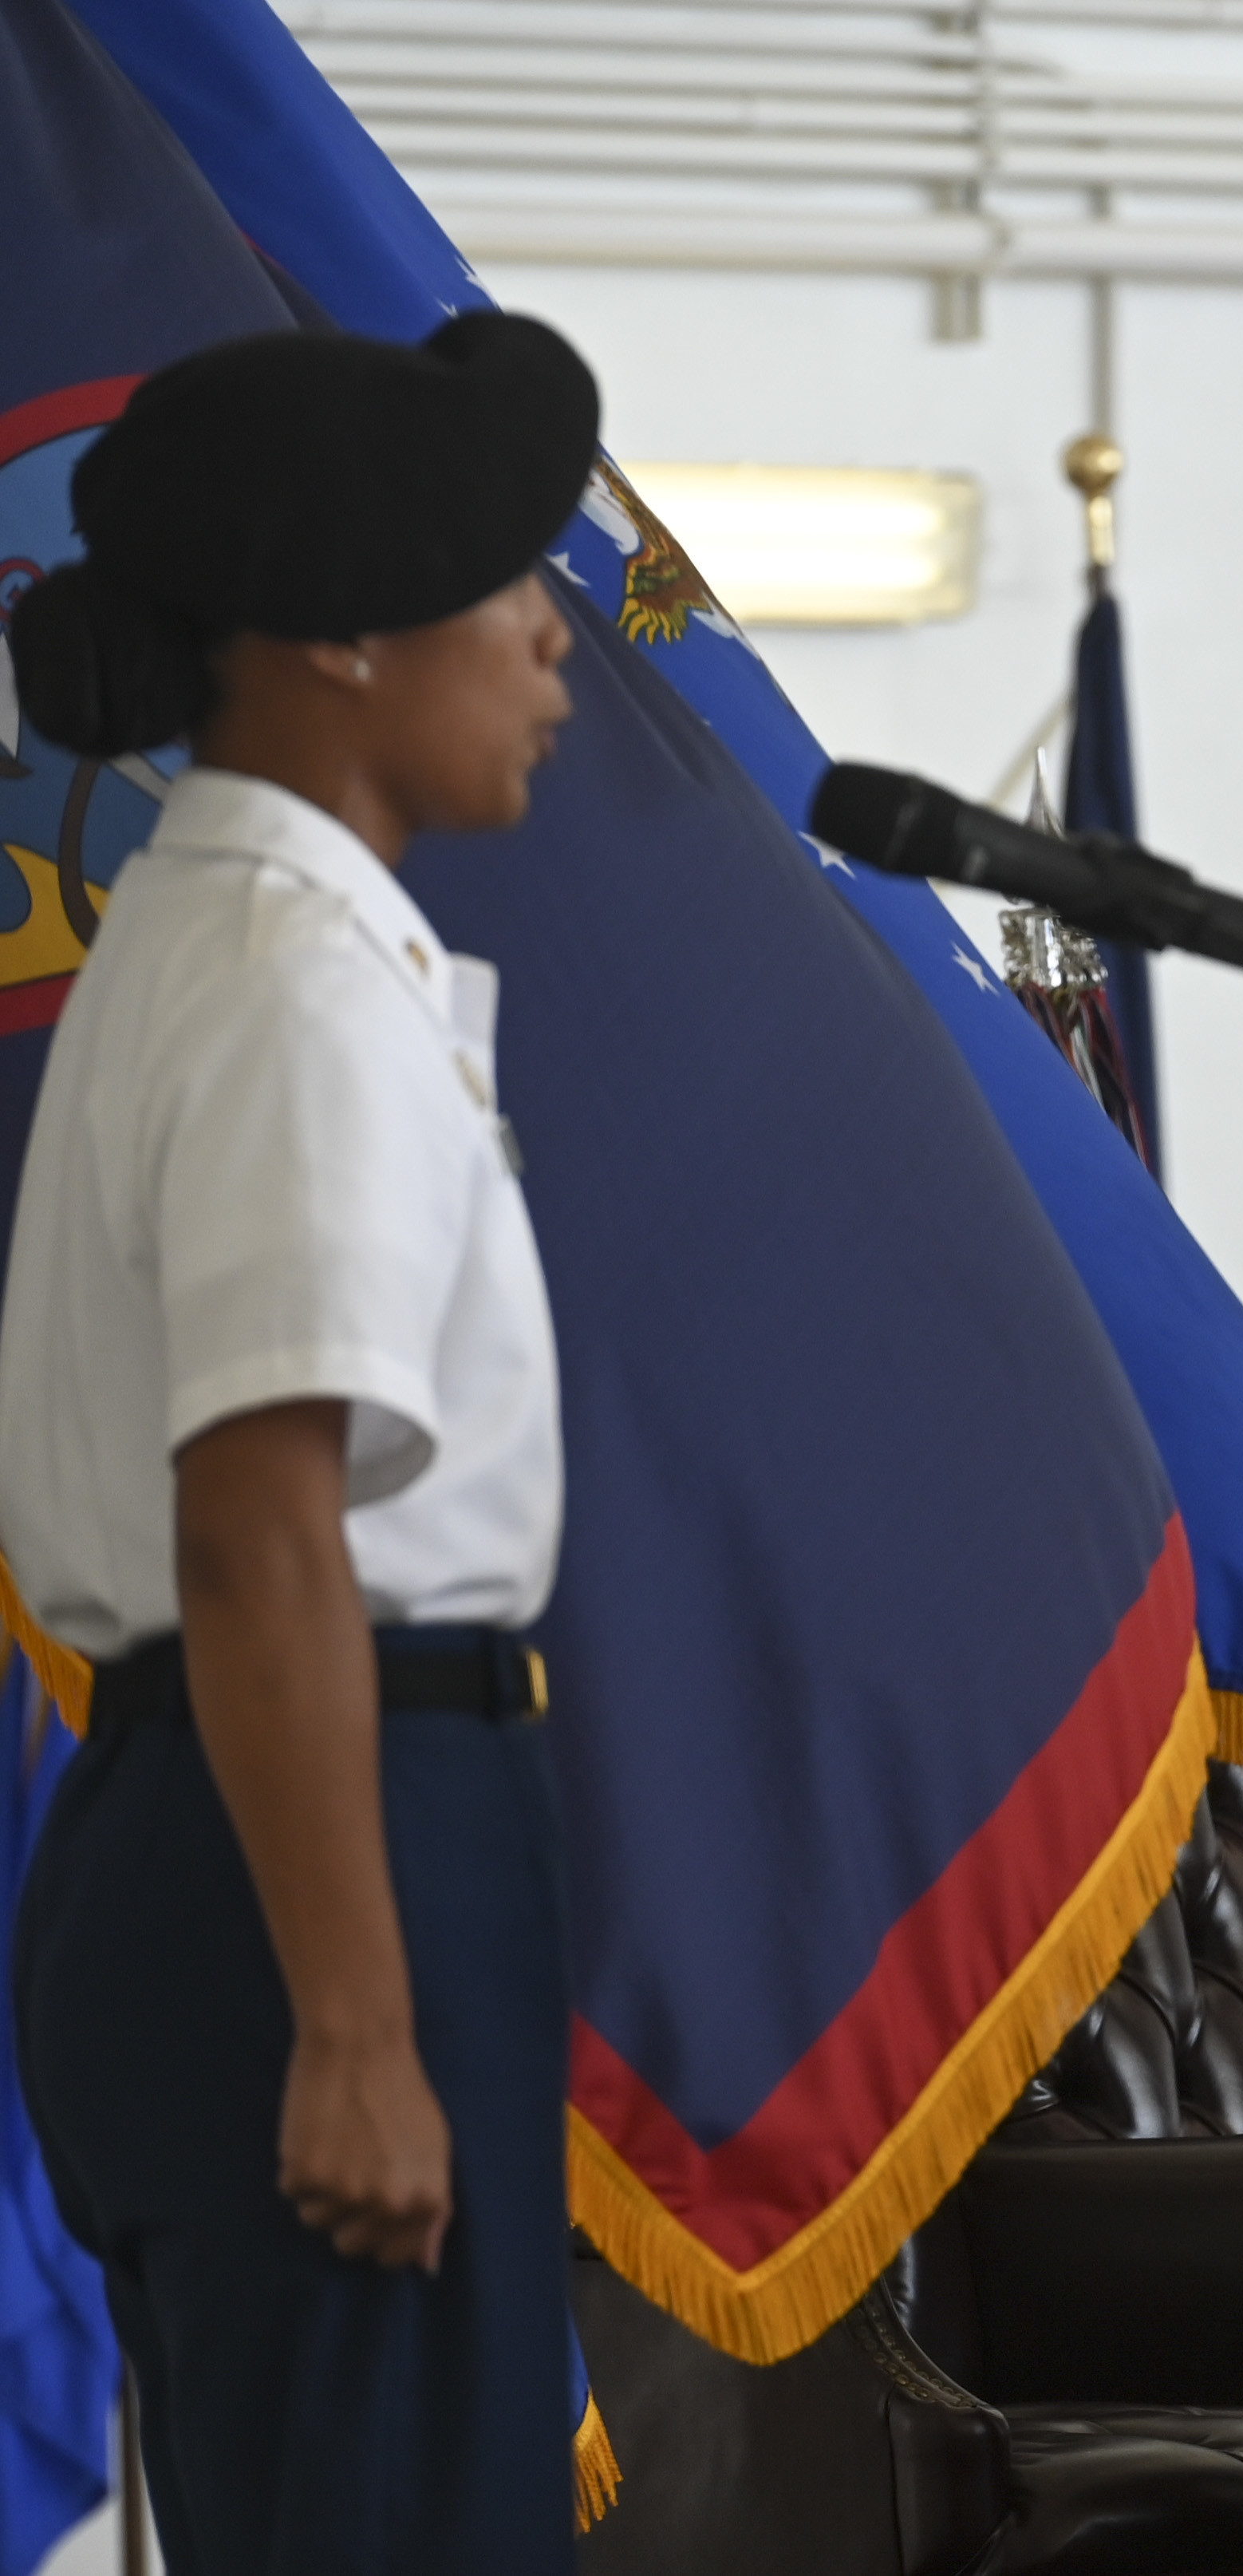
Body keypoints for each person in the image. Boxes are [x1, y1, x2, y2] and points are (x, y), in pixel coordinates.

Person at [0, 313, 592, 2570]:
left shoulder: (252, 929)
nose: (555, 633)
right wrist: (353, 2016)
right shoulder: (285, 977)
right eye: (502, 579)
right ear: (340, 638)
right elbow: (259, 1533)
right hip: (314, 1833)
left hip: (266, 1811)